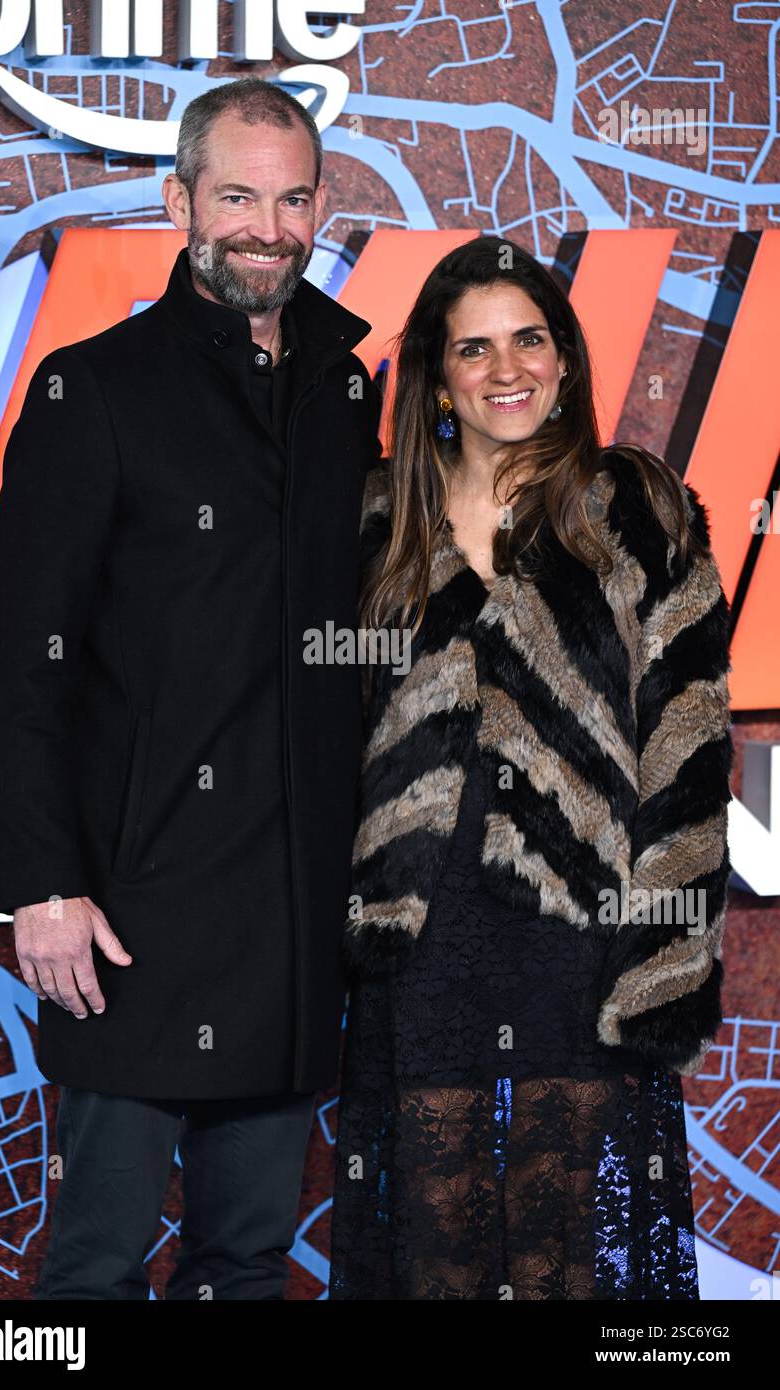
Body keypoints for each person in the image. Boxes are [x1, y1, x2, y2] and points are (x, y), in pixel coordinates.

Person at [0, 76, 382, 1300]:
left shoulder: (349, 391)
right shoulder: (88, 388)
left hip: (294, 923)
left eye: (294, 197)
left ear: (321, 207)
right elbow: (19, 661)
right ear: (179, 202)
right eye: (239, 195)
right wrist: (41, 885)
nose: (267, 225)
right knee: (92, 1268)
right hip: (127, 920)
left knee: (248, 1262)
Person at [329, 236, 732, 1300]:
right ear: (437, 376)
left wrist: (664, 961)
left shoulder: (639, 508)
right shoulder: (370, 521)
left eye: (530, 340)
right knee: (433, 1248)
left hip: (578, 939)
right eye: (475, 349)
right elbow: (314, 736)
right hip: (418, 935)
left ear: (565, 361)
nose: (508, 370)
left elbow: (688, 746)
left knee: (563, 1262)